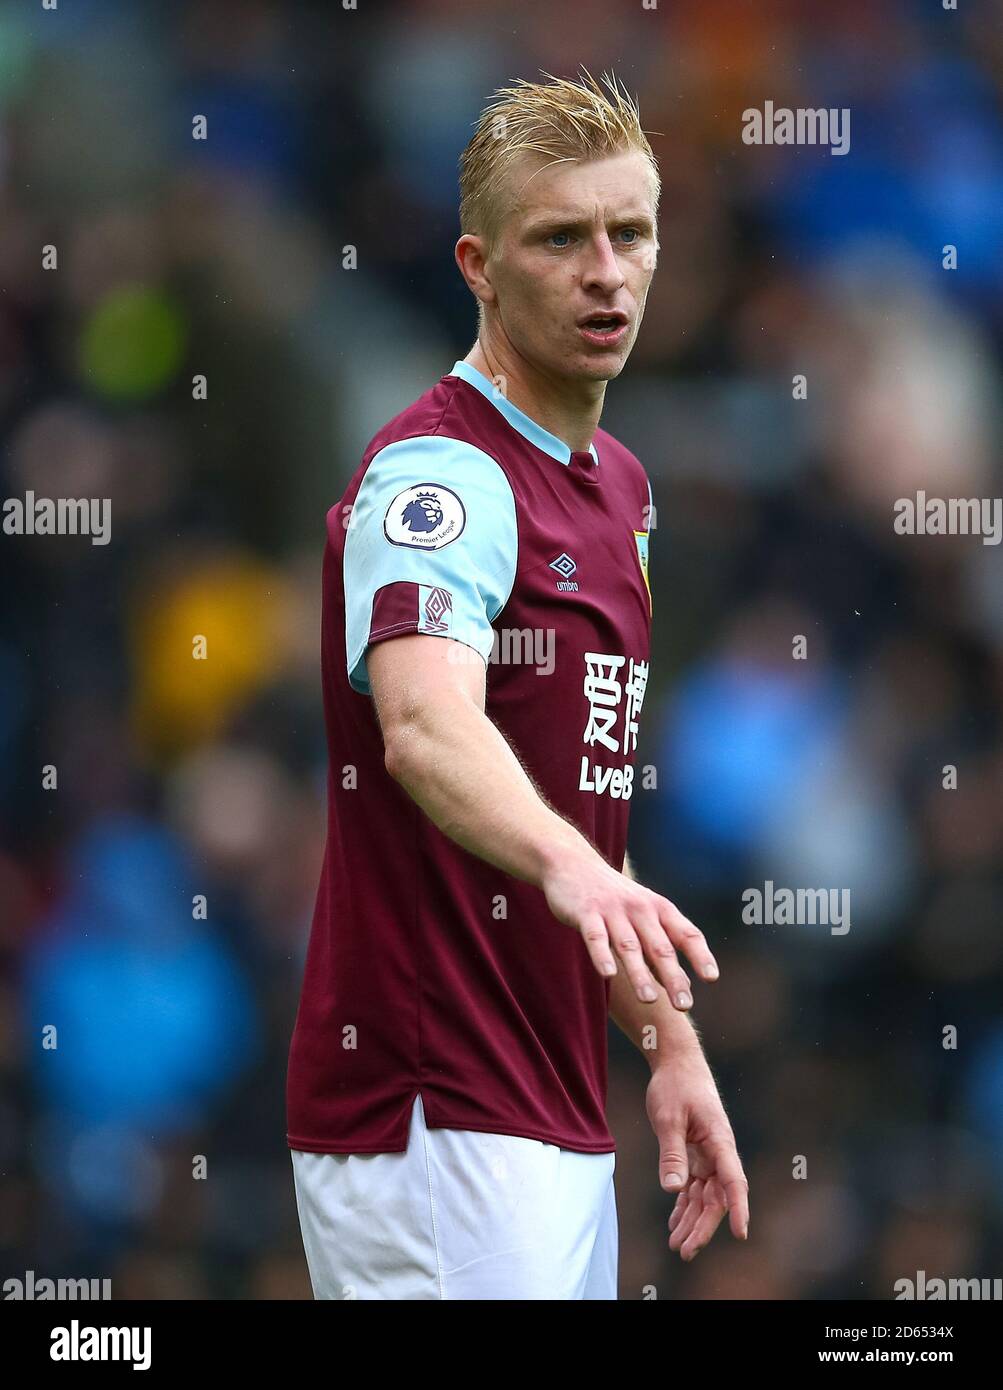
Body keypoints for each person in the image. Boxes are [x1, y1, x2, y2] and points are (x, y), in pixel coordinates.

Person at [286, 68, 748, 1300]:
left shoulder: (621, 489)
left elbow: (573, 811)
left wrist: (666, 1041)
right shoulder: (440, 477)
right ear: (478, 265)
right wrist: (578, 870)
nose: (606, 271)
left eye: (629, 233)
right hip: (432, 1110)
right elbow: (426, 732)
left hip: (549, 1105)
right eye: (560, 239)